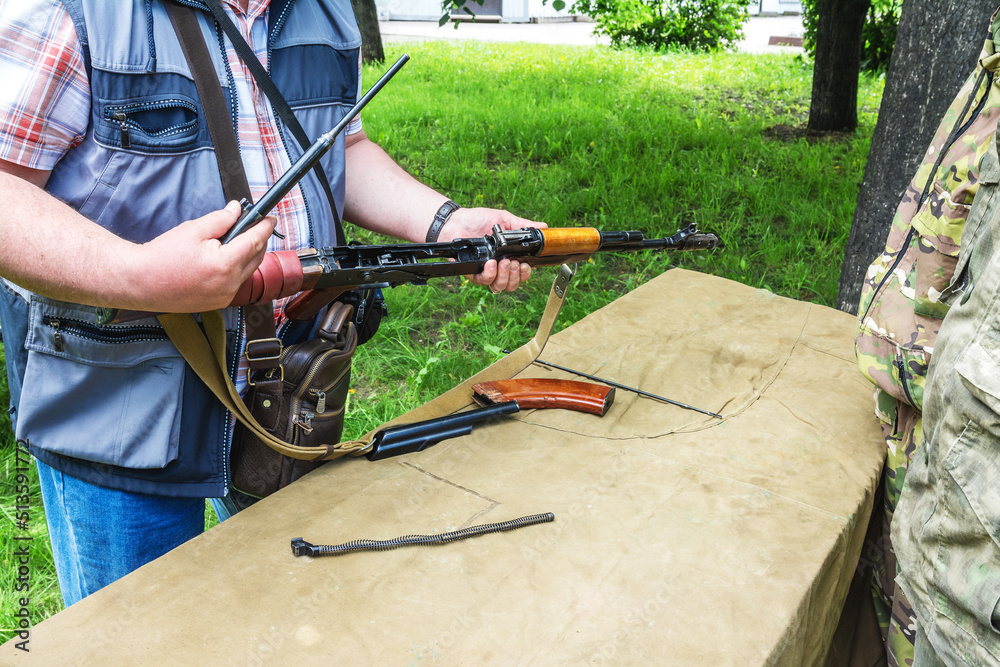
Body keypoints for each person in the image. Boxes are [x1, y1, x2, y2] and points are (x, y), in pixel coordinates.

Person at [0, 0, 542, 608]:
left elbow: (341, 146)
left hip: (282, 389)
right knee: (134, 637)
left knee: (285, 614)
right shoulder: (76, 13)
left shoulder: (324, 11)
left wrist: (446, 221)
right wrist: (138, 275)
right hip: (118, 406)